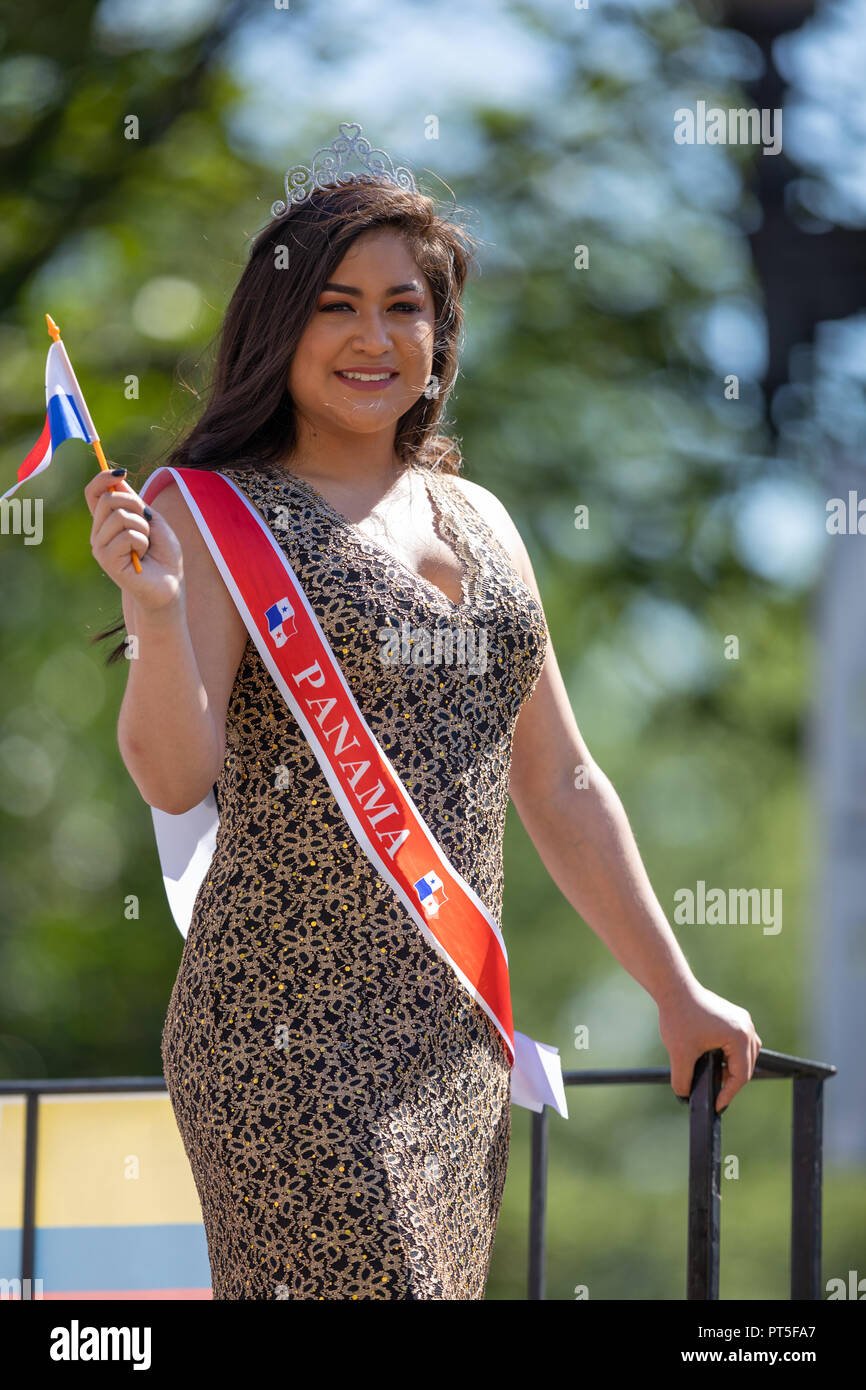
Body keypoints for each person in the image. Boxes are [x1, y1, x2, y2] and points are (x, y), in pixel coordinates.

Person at [85, 160, 761, 1300]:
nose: (373, 335)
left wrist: (674, 988)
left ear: (440, 337)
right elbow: (172, 774)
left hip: (454, 1046)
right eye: (334, 304)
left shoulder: (483, 520)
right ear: (279, 328)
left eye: (404, 305)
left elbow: (561, 783)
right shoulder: (206, 509)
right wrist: (153, 614)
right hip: (281, 1041)